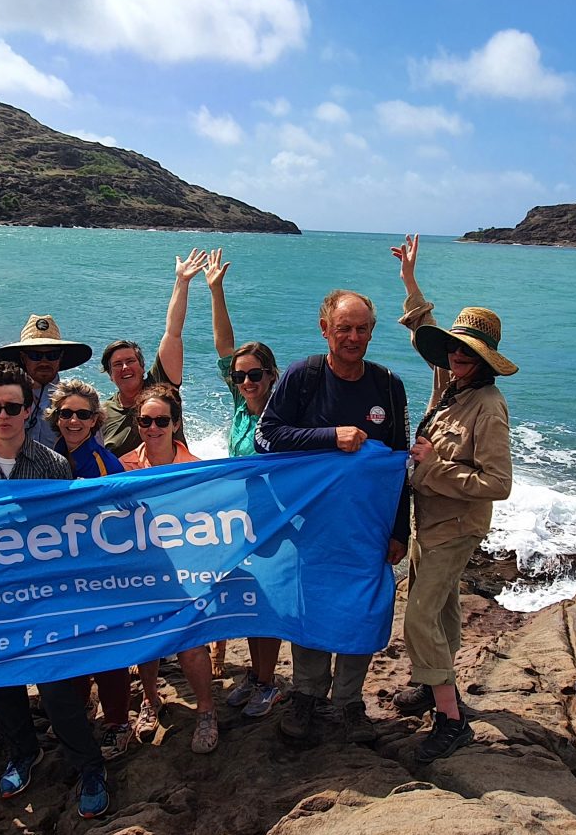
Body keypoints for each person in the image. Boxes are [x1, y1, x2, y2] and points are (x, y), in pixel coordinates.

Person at [0, 363, 110, 819]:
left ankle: (88, 765)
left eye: (13, 406)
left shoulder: (53, 465)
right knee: (5, 686)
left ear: (29, 408)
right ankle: (23, 753)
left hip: (43, 595)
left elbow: (65, 532)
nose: (4, 415)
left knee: (58, 687)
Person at [255, 288, 411, 746]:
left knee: (361, 607)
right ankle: (306, 696)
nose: (353, 337)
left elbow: (398, 463)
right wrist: (329, 437)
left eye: (362, 328)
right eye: (344, 328)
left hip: (368, 525)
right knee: (313, 606)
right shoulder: (303, 376)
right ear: (325, 329)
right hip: (310, 524)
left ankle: (348, 701)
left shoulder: (387, 385)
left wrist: (400, 528)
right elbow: (267, 438)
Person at [391, 234, 516, 763]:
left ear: (484, 360)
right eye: (455, 348)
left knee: (418, 615)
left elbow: (498, 483)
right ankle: (433, 684)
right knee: (439, 609)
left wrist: (433, 466)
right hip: (429, 522)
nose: (458, 356)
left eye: (468, 352)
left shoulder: (488, 407)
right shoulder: (451, 384)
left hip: (457, 526)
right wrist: (410, 280)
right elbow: (423, 325)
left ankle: (450, 718)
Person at [204, 249, 286, 719]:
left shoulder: (285, 413)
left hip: (275, 521)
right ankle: (255, 676)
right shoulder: (240, 408)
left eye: (255, 375)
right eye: (241, 377)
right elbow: (224, 344)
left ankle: (268, 681)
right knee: (246, 594)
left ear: (272, 375)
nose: (247, 381)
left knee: (265, 598)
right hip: (241, 518)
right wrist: (216, 290)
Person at [116, 384, 221, 754]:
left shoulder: (196, 470)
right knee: (148, 643)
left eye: (162, 420)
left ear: (175, 424)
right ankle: (150, 699)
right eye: (145, 420)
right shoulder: (122, 467)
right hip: (142, 570)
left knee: (191, 644)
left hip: (185, 572)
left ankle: (206, 711)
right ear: (137, 422)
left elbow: (213, 525)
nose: (153, 427)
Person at [47, 379, 135, 759]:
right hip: (62, 572)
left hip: (99, 575)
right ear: (55, 417)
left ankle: (118, 722)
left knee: (105, 650)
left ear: (96, 420)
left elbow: (124, 519)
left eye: (83, 414)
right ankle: (81, 705)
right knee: (72, 645)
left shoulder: (103, 462)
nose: (73, 421)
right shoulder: (47, 456)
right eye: (66, 413)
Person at [96, 250, 202, 456]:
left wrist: (182, 281)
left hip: (172, 480)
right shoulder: (103, 413)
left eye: (130, 361)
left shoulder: (161, 386)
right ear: (109, 375)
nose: (125, 367)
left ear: (142, 367)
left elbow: (173, 333)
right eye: (117, 365)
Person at [0, 315, 91, 445]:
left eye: (52, 355)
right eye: (35, 355)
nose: (44, 361)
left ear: (60, 358)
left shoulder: (79, 401)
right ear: (23, 358)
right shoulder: (1, 399)